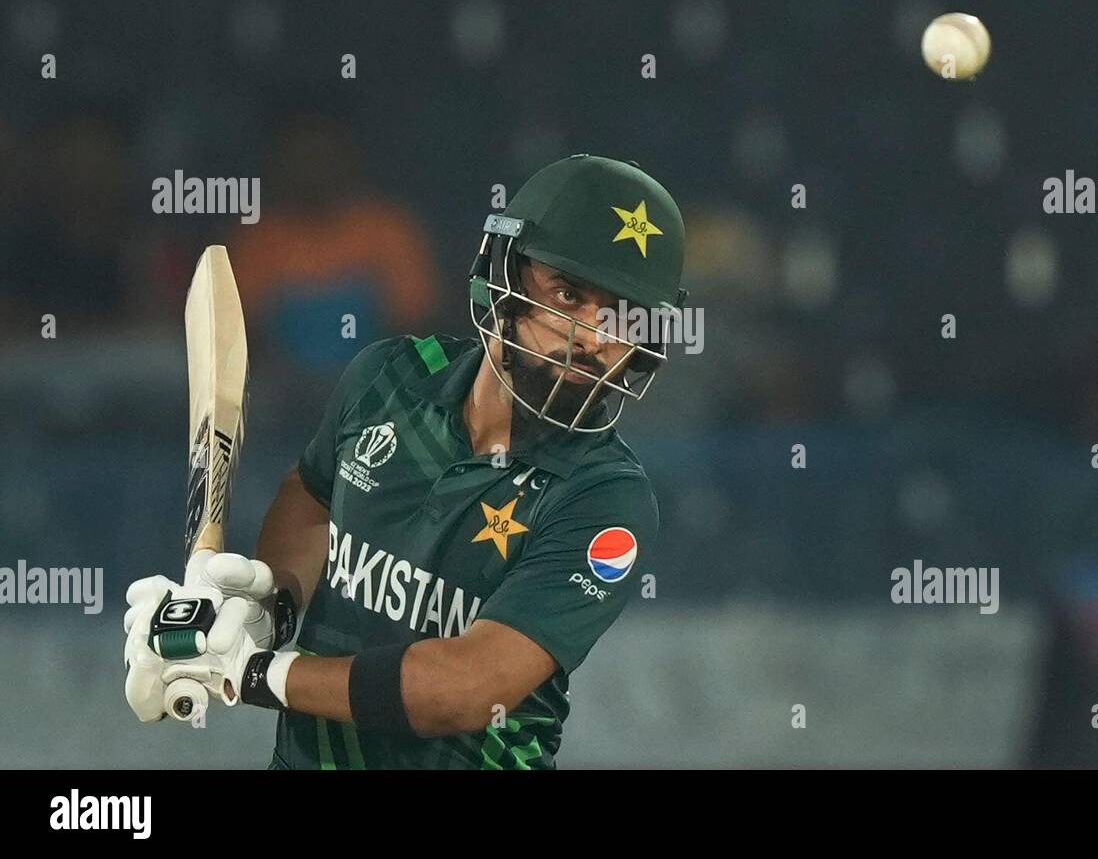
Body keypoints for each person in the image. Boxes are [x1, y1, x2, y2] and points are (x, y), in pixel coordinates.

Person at [123, 154, 688, 769]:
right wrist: (267, 607)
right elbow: (313, 496)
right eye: (568, 294)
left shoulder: (606, 499)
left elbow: (467, 689)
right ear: (503, 274)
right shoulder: (390, 376)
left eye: (621, 314)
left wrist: (251, 673)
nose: (594, 337)